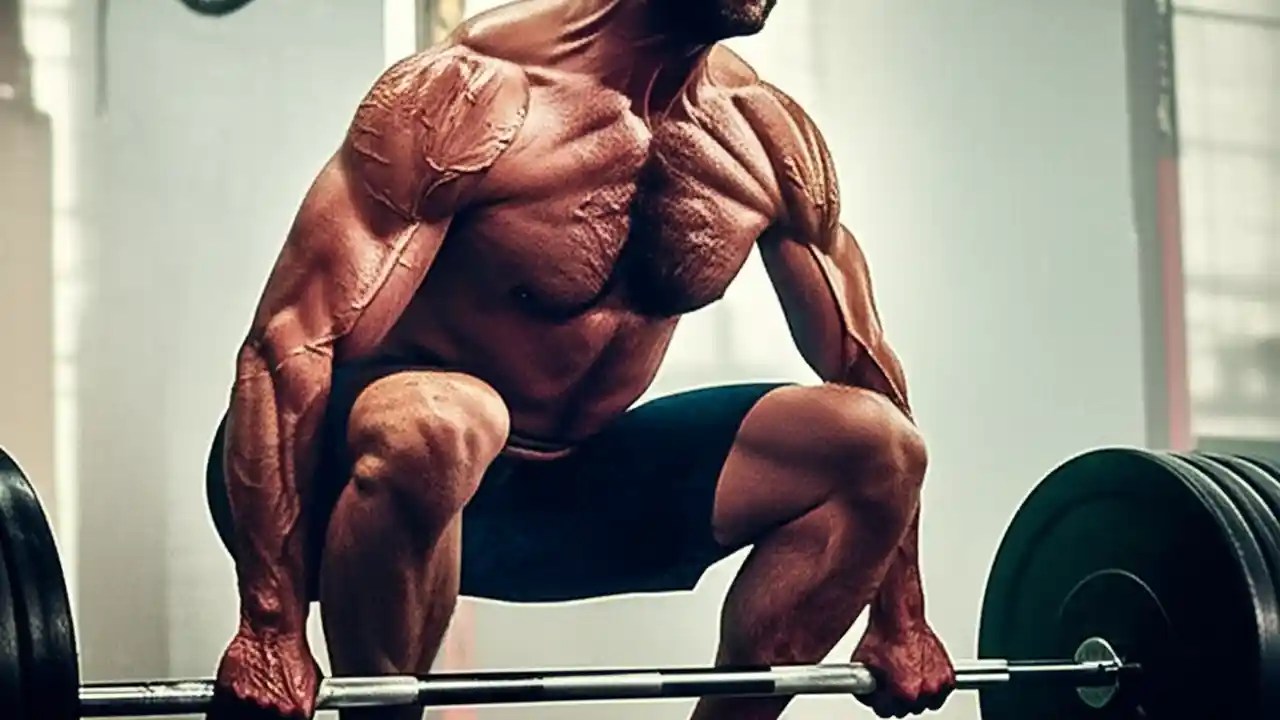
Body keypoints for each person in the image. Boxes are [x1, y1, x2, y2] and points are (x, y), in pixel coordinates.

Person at [203, 0, 956, 718]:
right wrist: (270, 625)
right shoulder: (471, 93)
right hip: (371, 477)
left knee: (880, 445)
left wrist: (902, 614)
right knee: (449, 421)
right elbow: (289, 345)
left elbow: (861, 361)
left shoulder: (762, 133)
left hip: (571, 492)